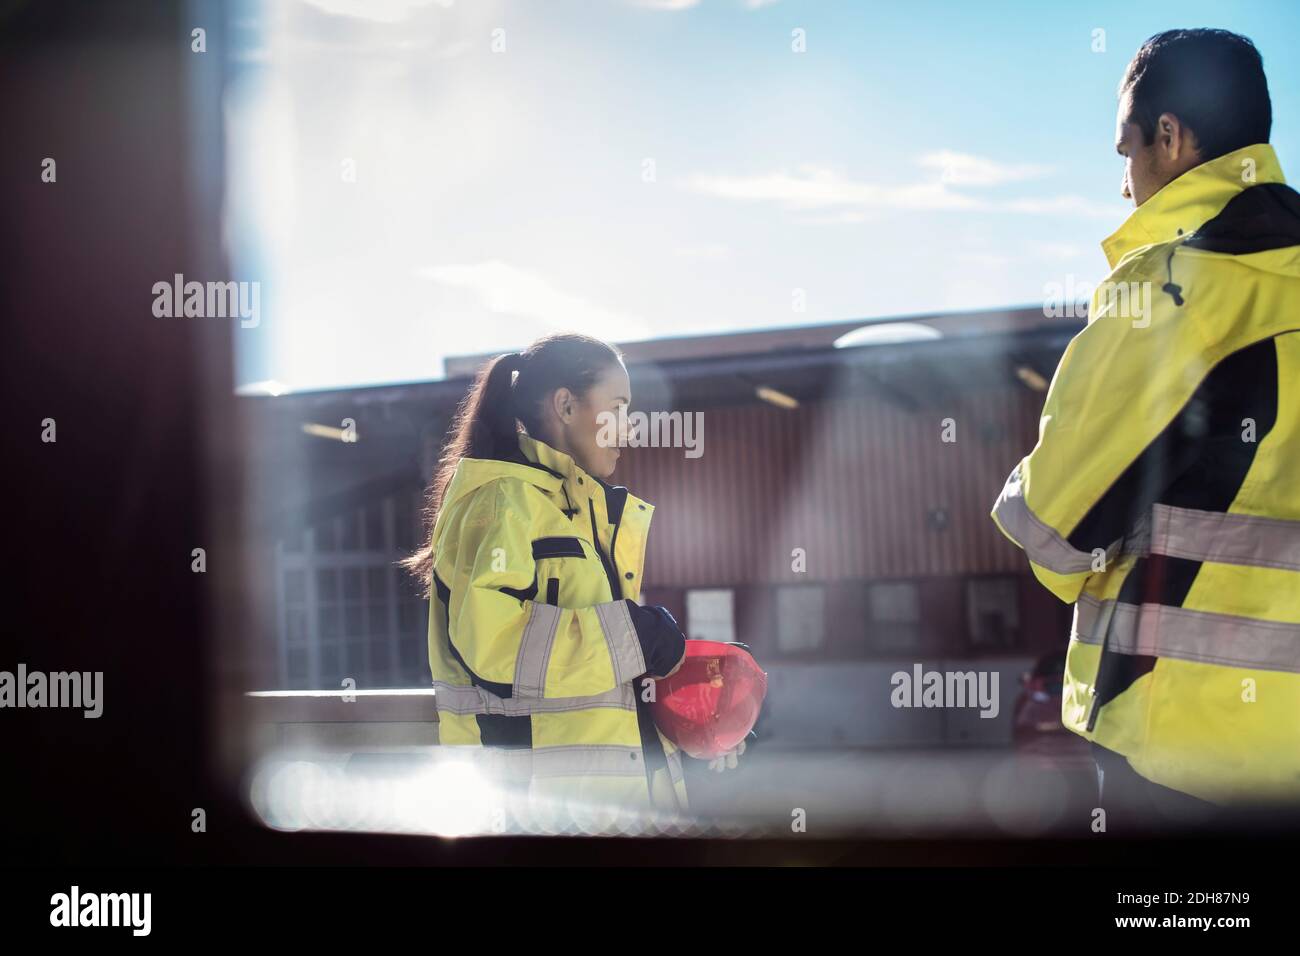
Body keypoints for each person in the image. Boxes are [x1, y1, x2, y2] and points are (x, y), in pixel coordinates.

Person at [991, 29, 1300, 820]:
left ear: (1170, 138)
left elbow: (1055, 535)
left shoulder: (1167, 293)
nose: (1125, 188)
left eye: (1125, 152)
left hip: (1187, 758)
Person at [404, 332, 741, 829]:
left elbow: (593, 685)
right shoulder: (503, 503)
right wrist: (636, 635)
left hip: (605, 814)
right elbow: (494, 651)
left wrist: (690, 723)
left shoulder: (574, 512)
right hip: (535, 819)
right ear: (565, 405)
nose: (628, 430)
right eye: (619, 408)